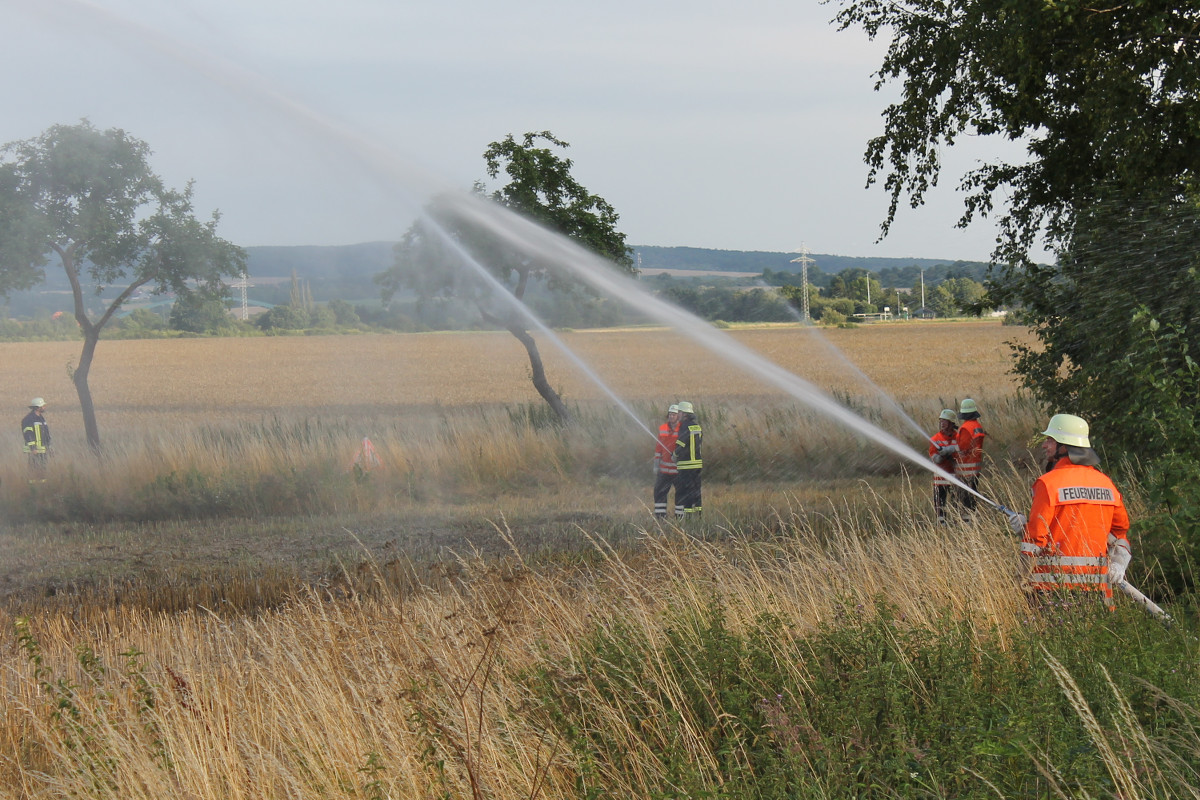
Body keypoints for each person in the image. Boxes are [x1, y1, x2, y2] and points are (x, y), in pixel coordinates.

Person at [1007, 414, 1132, 607]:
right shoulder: (1106, 484)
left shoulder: (1048, 484)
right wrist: (1119, 564)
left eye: (1050, 440)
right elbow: (1120, 533)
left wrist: (1018, 578)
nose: (1044, 445)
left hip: (1054, 590)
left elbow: (1035, 540)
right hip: (1097, 590)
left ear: (1064, 447)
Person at [955, 398, 987, 512]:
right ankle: (971, 518)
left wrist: (950, 449)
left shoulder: (965, 428)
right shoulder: (977, 426)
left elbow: (963, 448)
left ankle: (967, 521)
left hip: (966, 468)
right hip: (975, 468)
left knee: (964, 499)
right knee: (972, 496)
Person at [928, 408, 959, 525]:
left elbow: (963, 453)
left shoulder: (959, 437)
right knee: (940, 504)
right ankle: (942, 526)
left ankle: (957, 524)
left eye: (944, 421)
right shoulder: (935, 439)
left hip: (956, 477)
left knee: (957, 502)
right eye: (941, 421)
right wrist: (941, 456)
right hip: (940, 479)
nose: (942, 423)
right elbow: (934, 458)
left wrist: (951, 451)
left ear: (951, 423)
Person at [672, 401, 702, 519]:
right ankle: (698, 514)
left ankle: (689, 517)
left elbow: (681, 444)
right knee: (696, 490)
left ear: (684, 414)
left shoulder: (684, 426)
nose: (678, 414)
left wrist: (674, 454)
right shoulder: (697, 426)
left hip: (686, 464)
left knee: (686, 491)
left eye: (679, 412)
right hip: (697, 463)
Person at [652, 404, 681, 519]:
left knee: (681, 495)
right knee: (659, 492)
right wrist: (656, 464)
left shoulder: (683, 429)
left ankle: (680, 517)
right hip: (664, 470)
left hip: (678, 470)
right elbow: (658, 448)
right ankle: (660, 517)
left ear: (679, 416)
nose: (671, 417)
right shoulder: (663, 428)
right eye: (670, 414)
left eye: (674, 415)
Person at [21, 397, 50, 480]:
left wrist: (48, 446)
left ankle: (42, 488)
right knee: (33, 469)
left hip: (42, 449)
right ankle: (33, 488)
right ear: (38, 407)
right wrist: (33, 448)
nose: (44, 407)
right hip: (34, 450)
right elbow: (28, 434)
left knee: (42, 470)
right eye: (43, 406)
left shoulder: (41, 418)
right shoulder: (28, 419)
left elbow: (46, 433)